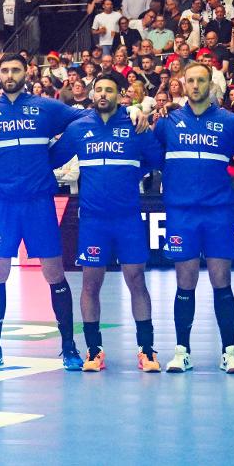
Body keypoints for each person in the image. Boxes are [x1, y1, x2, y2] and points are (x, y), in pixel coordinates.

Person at [0, 52, 88, 370]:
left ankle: (69, 347)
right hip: (3, 204)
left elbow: (83, 119)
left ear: (27, 72)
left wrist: (55, 157)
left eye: (16, 69)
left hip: (39, 203)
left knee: (54, 274)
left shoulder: (45, 107)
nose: (10, 75)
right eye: (5, 71)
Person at [49, 73, 162, 372]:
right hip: (93, 220)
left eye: (109, 90)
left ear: (120, 94)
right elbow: (51, 158)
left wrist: (132, 173)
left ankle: (147, 350)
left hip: (128, 219)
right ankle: (94, 350)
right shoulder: (79, 128)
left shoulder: (135, 125)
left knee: (137, 280)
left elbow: (156, 157)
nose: (102, 94)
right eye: (98, 89)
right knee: (90, 284)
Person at [153, 61, 234, 374]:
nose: (195, 86)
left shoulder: (230, 123)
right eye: (190, 80)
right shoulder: (167, 121)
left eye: (201, 80)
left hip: (218, 211)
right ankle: (182, 351)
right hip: (181, 213)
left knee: (222, 281)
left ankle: (229, 352)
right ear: (182, 83)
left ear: (211, 84)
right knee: (185, 282)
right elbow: (145, 147)